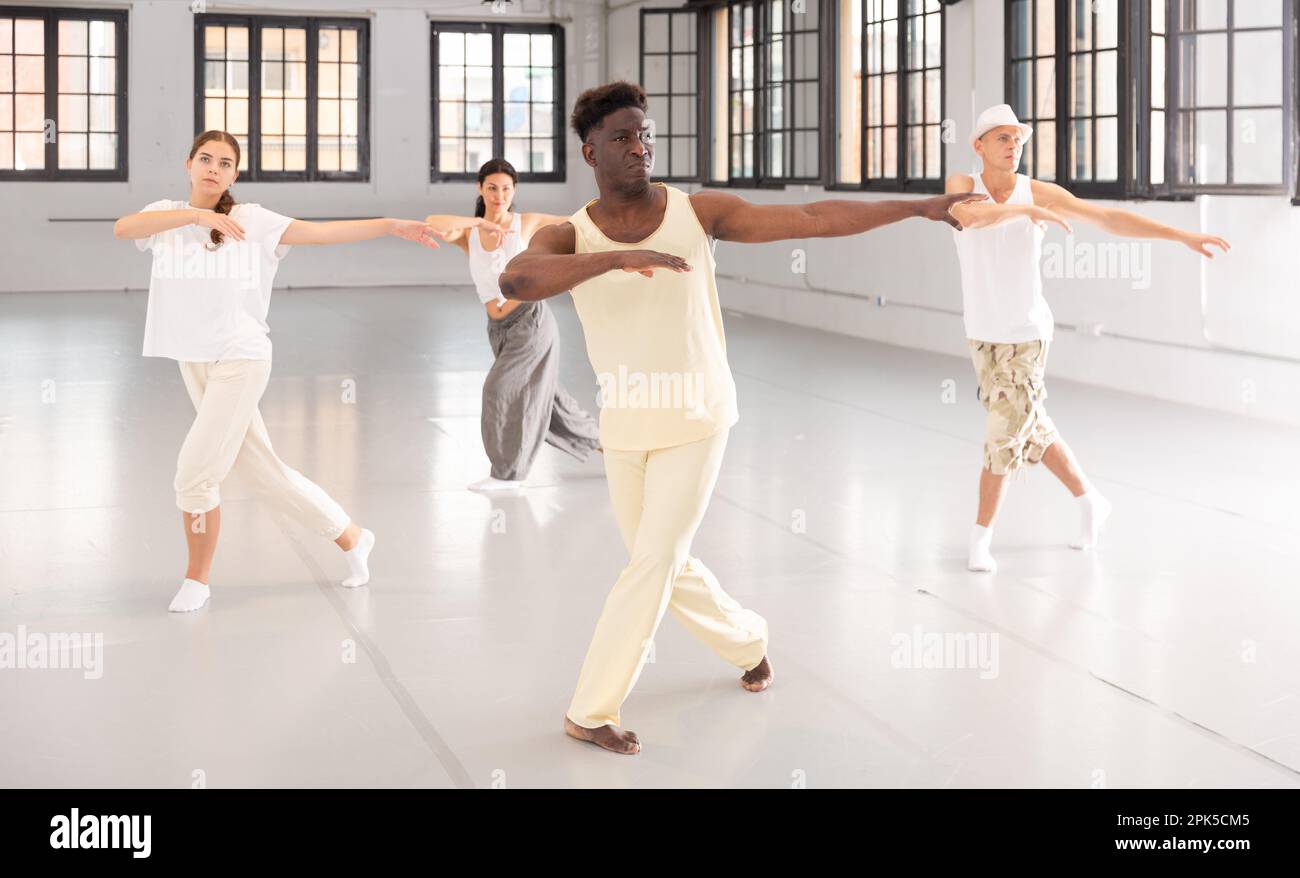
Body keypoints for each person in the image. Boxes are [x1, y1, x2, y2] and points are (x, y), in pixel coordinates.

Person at [499, 81, 984, 755]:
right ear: (589, 151)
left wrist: (921, 207)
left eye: (645, 134)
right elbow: (515, 282)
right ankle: (750, 643)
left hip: (698, 416)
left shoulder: (697, 213)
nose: (639, 147)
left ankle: (591, 707)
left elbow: (812, 218)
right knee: (661, 563)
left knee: (651, 565)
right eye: (621, 137)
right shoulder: (567, 234)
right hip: (627, 427)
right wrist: (614, 259)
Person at [114, 130, 441, 612]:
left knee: (195, 474)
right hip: (195, 360)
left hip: (241, 359)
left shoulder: (252, 220)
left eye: (225, 163)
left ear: (235, 174)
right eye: (205, 159)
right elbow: (123, 229)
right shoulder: (165, 215)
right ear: (188, 164)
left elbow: (323, 233)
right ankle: (352, 537)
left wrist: (390, 223)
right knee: (264, 473)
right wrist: (196, 215)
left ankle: (197, 580)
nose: (213, 168)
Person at [945, 104, 1231, 573]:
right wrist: (1027, 211)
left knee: (1003, 432)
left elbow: (1107, 218)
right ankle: (1091, 500)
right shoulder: (962, 185)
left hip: (1026, 334)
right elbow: (969, 218)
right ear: (978, 145)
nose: (1014, 145)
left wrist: (1178, 234)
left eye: (1018, 138)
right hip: (982, 333)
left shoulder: (1037, 190)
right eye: (1003, 138)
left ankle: (980, 539)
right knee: (1030, 426)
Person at [424, 158, 600, 493]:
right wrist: (480, 225)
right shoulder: (468, 234)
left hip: (532, 323)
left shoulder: (526, 223)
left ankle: (507, 474)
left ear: (514, 191)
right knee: (549, 402)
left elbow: (578, 223)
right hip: (498, 329)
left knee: (498, 389)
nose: (499, 195)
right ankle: (621, 451)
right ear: (480, 188)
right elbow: (433, 223)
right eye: (492, 187)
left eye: (506, 188)